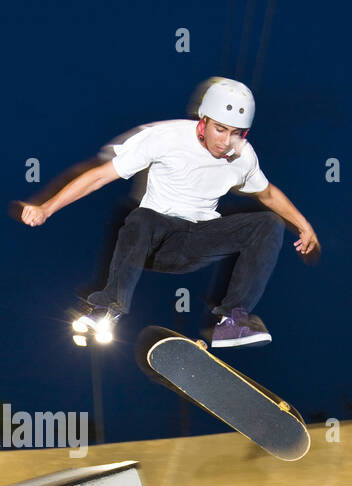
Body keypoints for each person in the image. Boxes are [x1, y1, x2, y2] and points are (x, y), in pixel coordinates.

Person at [19, 77, 320, 349]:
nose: (225, 141)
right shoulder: (166, 138)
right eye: (220, 129)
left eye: (235, 133)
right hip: (157, 242)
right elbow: (100, 176)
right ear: (203, 121)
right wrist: (47, 207)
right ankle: (106, 309)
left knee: (267, 223)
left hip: (200, 240)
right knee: (141, 217)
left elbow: (267, 193)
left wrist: (304, 226)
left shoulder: (243, 155)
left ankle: (232, 321)